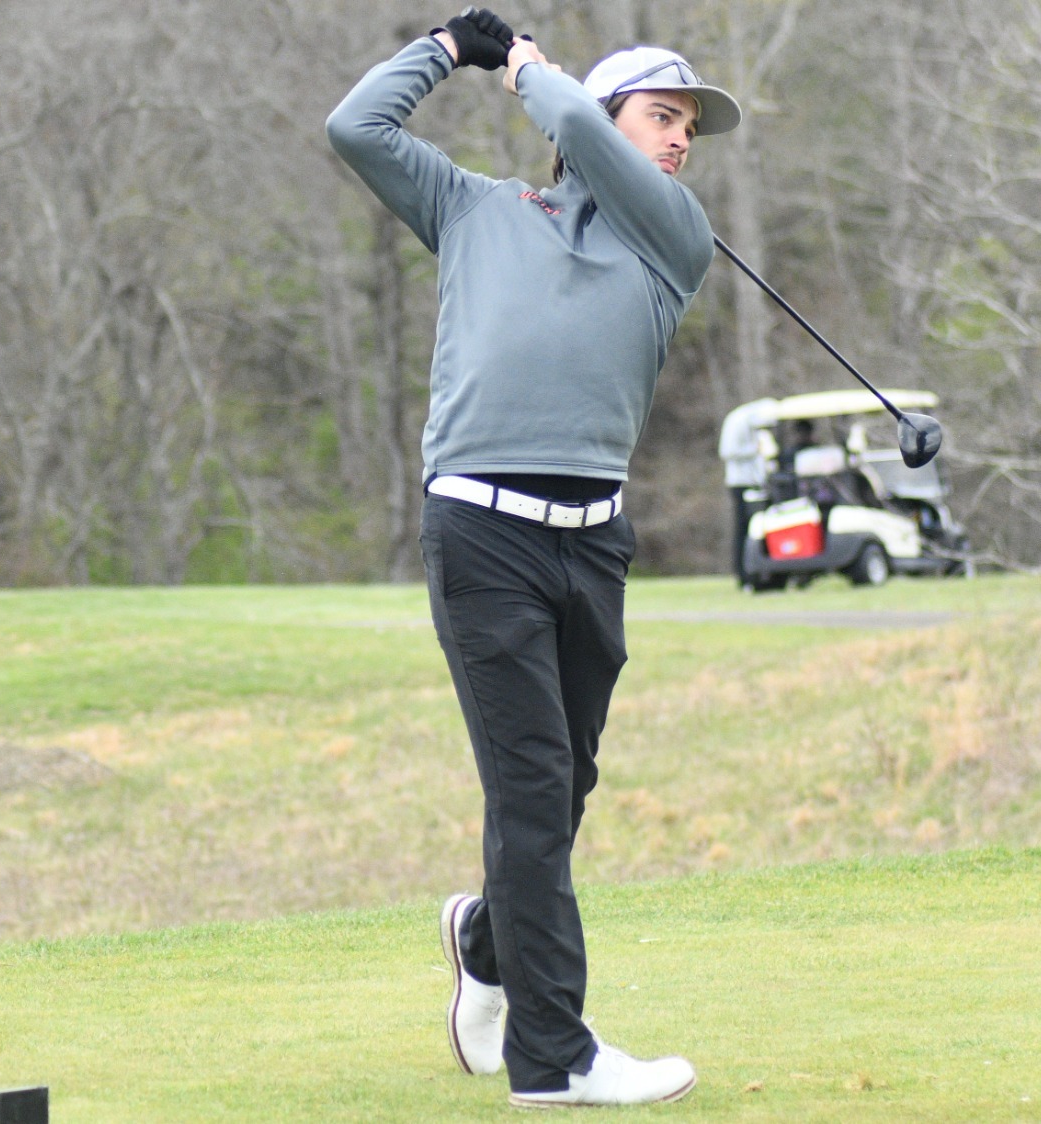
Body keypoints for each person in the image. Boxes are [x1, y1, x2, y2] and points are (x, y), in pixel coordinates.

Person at [327, 9, 741, 1108]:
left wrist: (529, 71)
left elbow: (585, 135)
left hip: (591, 544)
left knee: (560, 791)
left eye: (689, 124)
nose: (681, 140)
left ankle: (488, 941)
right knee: (527, 788)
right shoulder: (472, 207)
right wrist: (448, 50)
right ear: (600, 119)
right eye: (662, 116)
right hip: (480, 531)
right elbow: (353, 126)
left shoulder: (674, 237)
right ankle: (550, 1059)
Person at [718, 398, 778, 587]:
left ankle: (766, 572)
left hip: (758, 482)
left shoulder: (756, 424)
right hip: (741, 483)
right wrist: (756, 449)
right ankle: (744, 575)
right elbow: (727, 451)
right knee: (743, 528)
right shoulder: (738, 420)